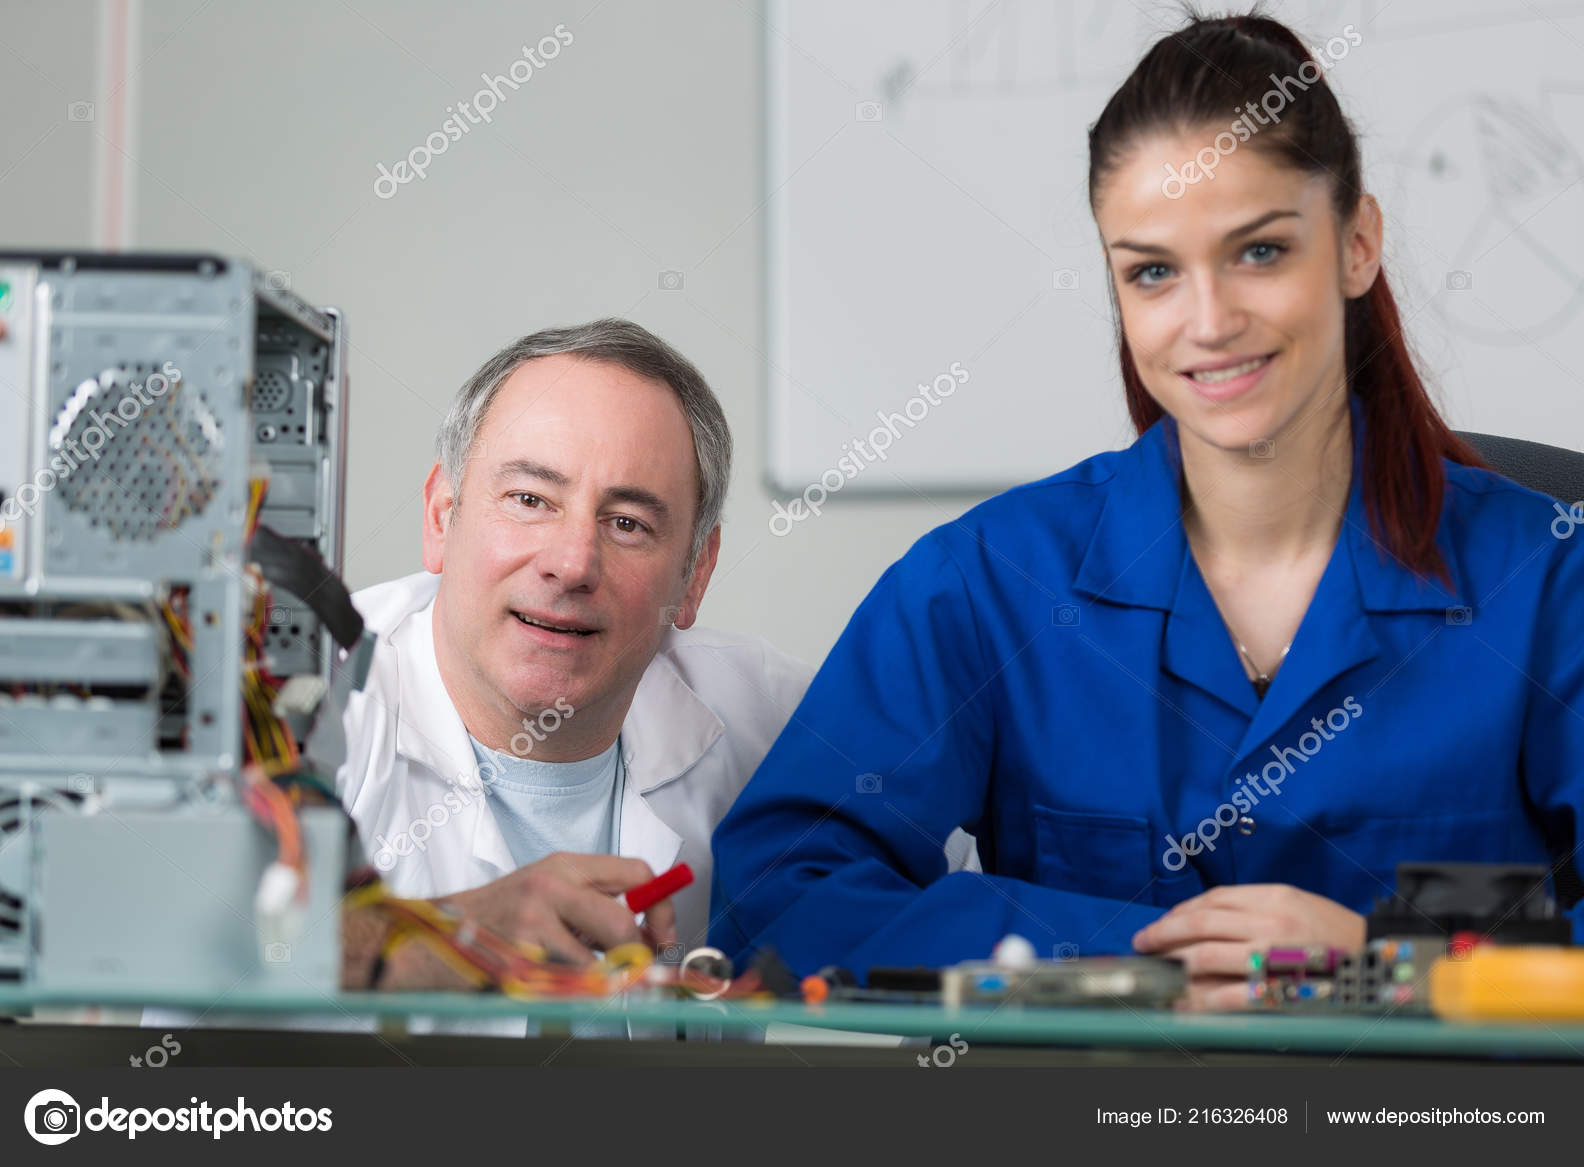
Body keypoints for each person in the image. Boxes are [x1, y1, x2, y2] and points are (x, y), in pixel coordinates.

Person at [708, 12, 1584, 1011]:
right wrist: (1132, 958)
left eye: (1258, 252)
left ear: (1355, 245)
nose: (1207, 322)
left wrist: (1386, 965)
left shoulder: (1551, 578)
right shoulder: (985, 582)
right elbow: (778, 890)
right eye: (1153, 271)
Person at [332, 318, 812, 989]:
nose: (572, 562)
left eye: (627, 523)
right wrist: (451, 937)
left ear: (696, 571)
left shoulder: (769, 713)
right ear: (442, 516)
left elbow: (981, 879)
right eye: (530, 499)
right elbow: (182, 945)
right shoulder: (302, 697)